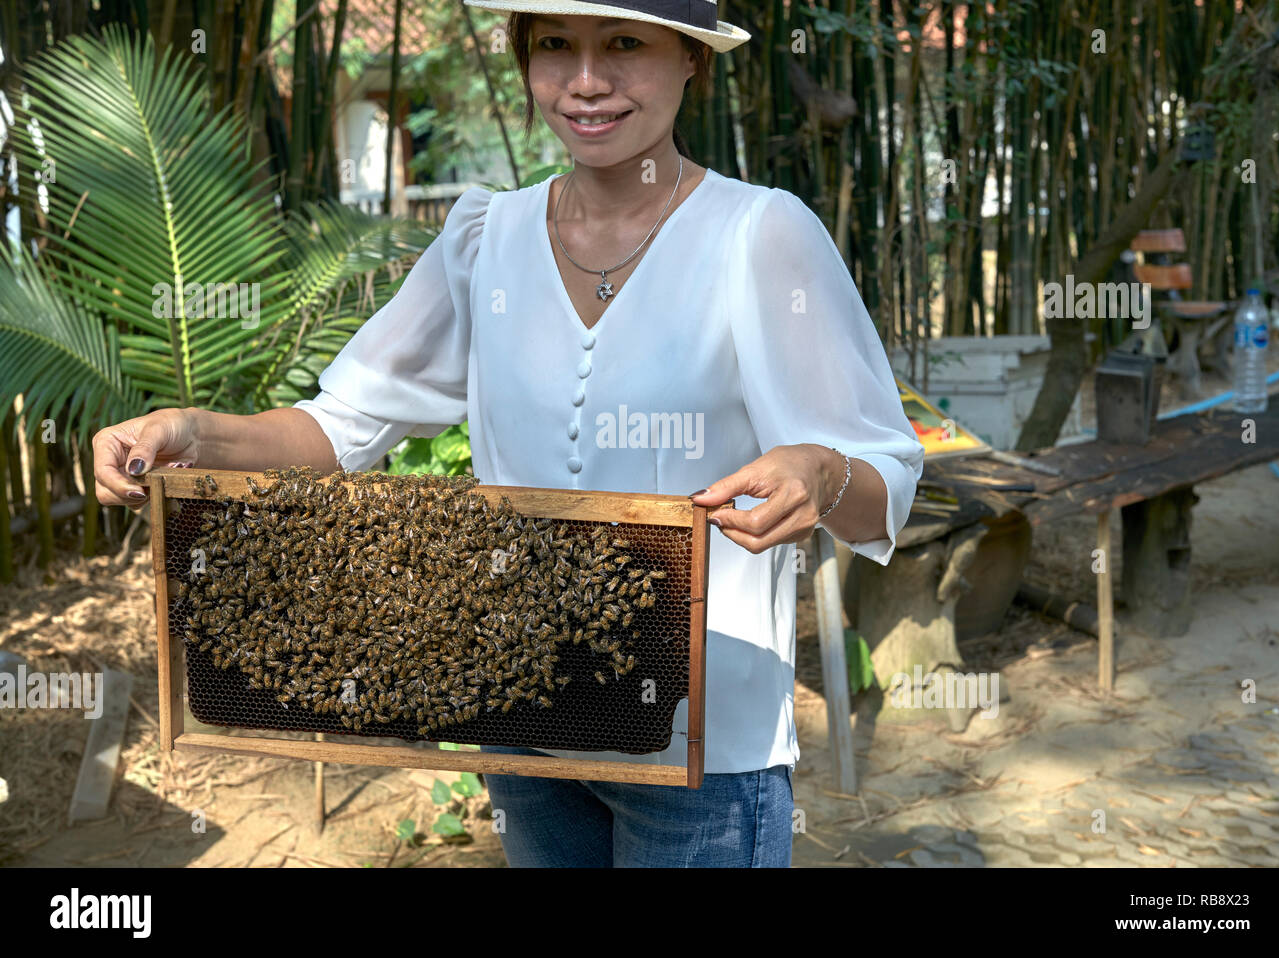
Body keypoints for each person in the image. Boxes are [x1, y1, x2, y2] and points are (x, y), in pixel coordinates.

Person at [94, 0, 925, 868]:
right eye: (555, 47)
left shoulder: (760, 234)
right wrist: (190, 431)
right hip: (523, 723)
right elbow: (338, 428)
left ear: (691, 61)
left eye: (626, 45)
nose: (587, 81)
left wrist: (821, 471)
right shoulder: (486, 237)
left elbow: (883, 490)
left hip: (706, 749)